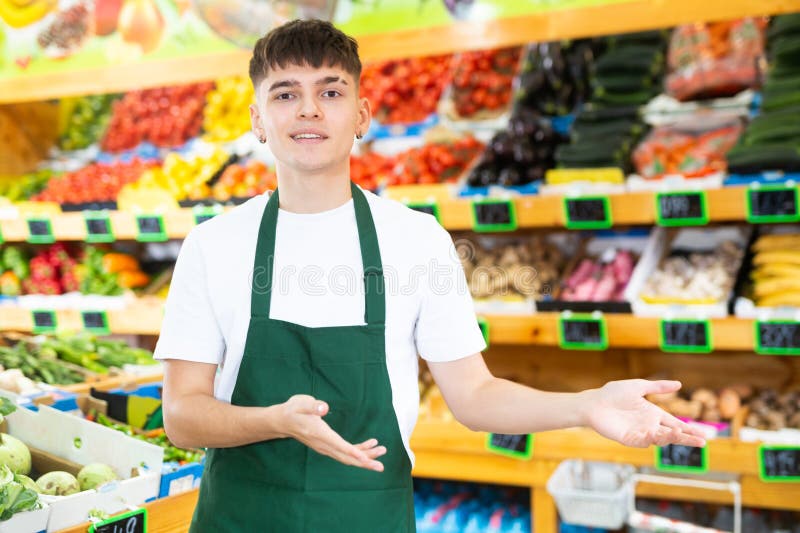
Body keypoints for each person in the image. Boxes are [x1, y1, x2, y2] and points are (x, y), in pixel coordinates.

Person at [155, 19, 706, 532]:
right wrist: (277, 420)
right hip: (240, 518)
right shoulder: (214, 245)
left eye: (329, 92)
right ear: (257, 121)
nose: (308, 111)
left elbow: (474, 396)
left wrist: (584, 406)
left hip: (369, 516)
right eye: (285, 94)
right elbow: (181, 415)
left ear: (362, 116)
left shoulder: (415, 240)